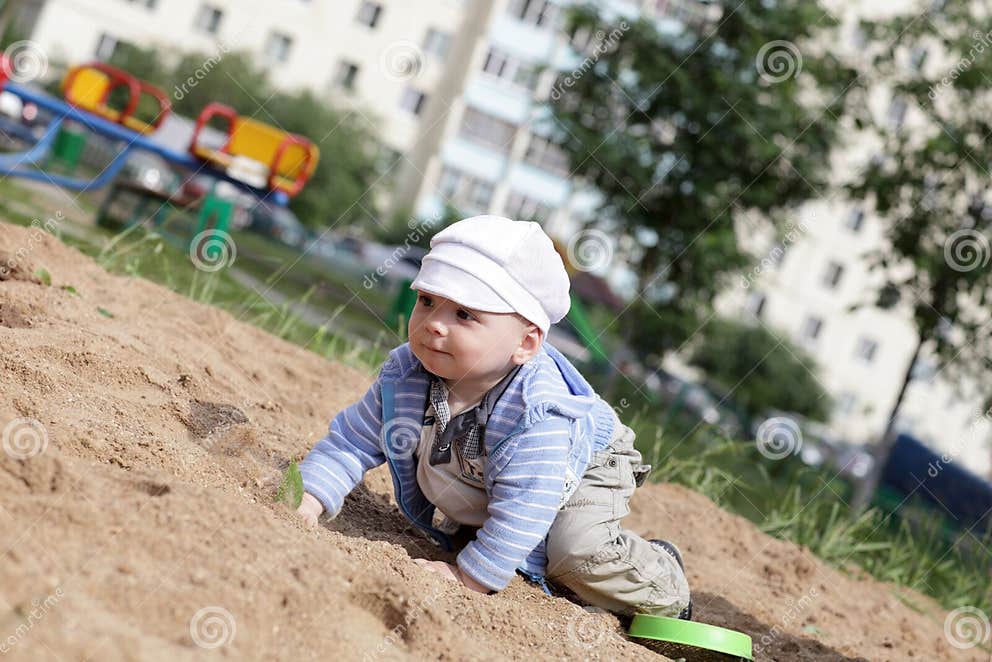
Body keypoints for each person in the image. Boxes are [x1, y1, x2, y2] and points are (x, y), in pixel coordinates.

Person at [294, 215, 691, 619]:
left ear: (526, 343)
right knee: (470, 513)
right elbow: (352, 441)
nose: (434, 324)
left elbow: (528, 504)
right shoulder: (406, 374)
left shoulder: (535, 411)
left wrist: (468, 578)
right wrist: (308, 499)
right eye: (427, 301)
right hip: (497, 468)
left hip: (587, 462)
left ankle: (665, 580)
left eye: (464, 314)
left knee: (574, 552)